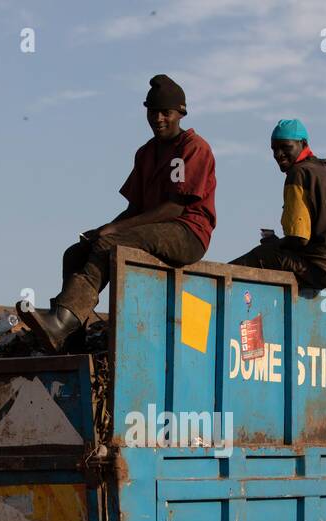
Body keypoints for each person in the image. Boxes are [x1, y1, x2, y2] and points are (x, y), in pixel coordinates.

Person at [19, 75, 216, 353]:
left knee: (110, 243)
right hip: (152, 230)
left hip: (187, 231)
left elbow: (175, 206)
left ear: (180, 113)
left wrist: (114, 232)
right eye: (152, 112)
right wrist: (106, 227)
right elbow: (135, 208)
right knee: (75, 253)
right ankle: (68, 338)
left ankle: (63, 320)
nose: (158, 118)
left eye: (165, 113)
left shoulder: (193, 148)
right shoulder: (145, 153)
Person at [230, 119, 326, 290]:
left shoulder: (298, 173)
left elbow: (299, 239)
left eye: (285, 147)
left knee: (259, 256)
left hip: (325, 269)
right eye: (274, 149)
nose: (278, 154)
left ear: (303, 144)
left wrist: (275, 244)